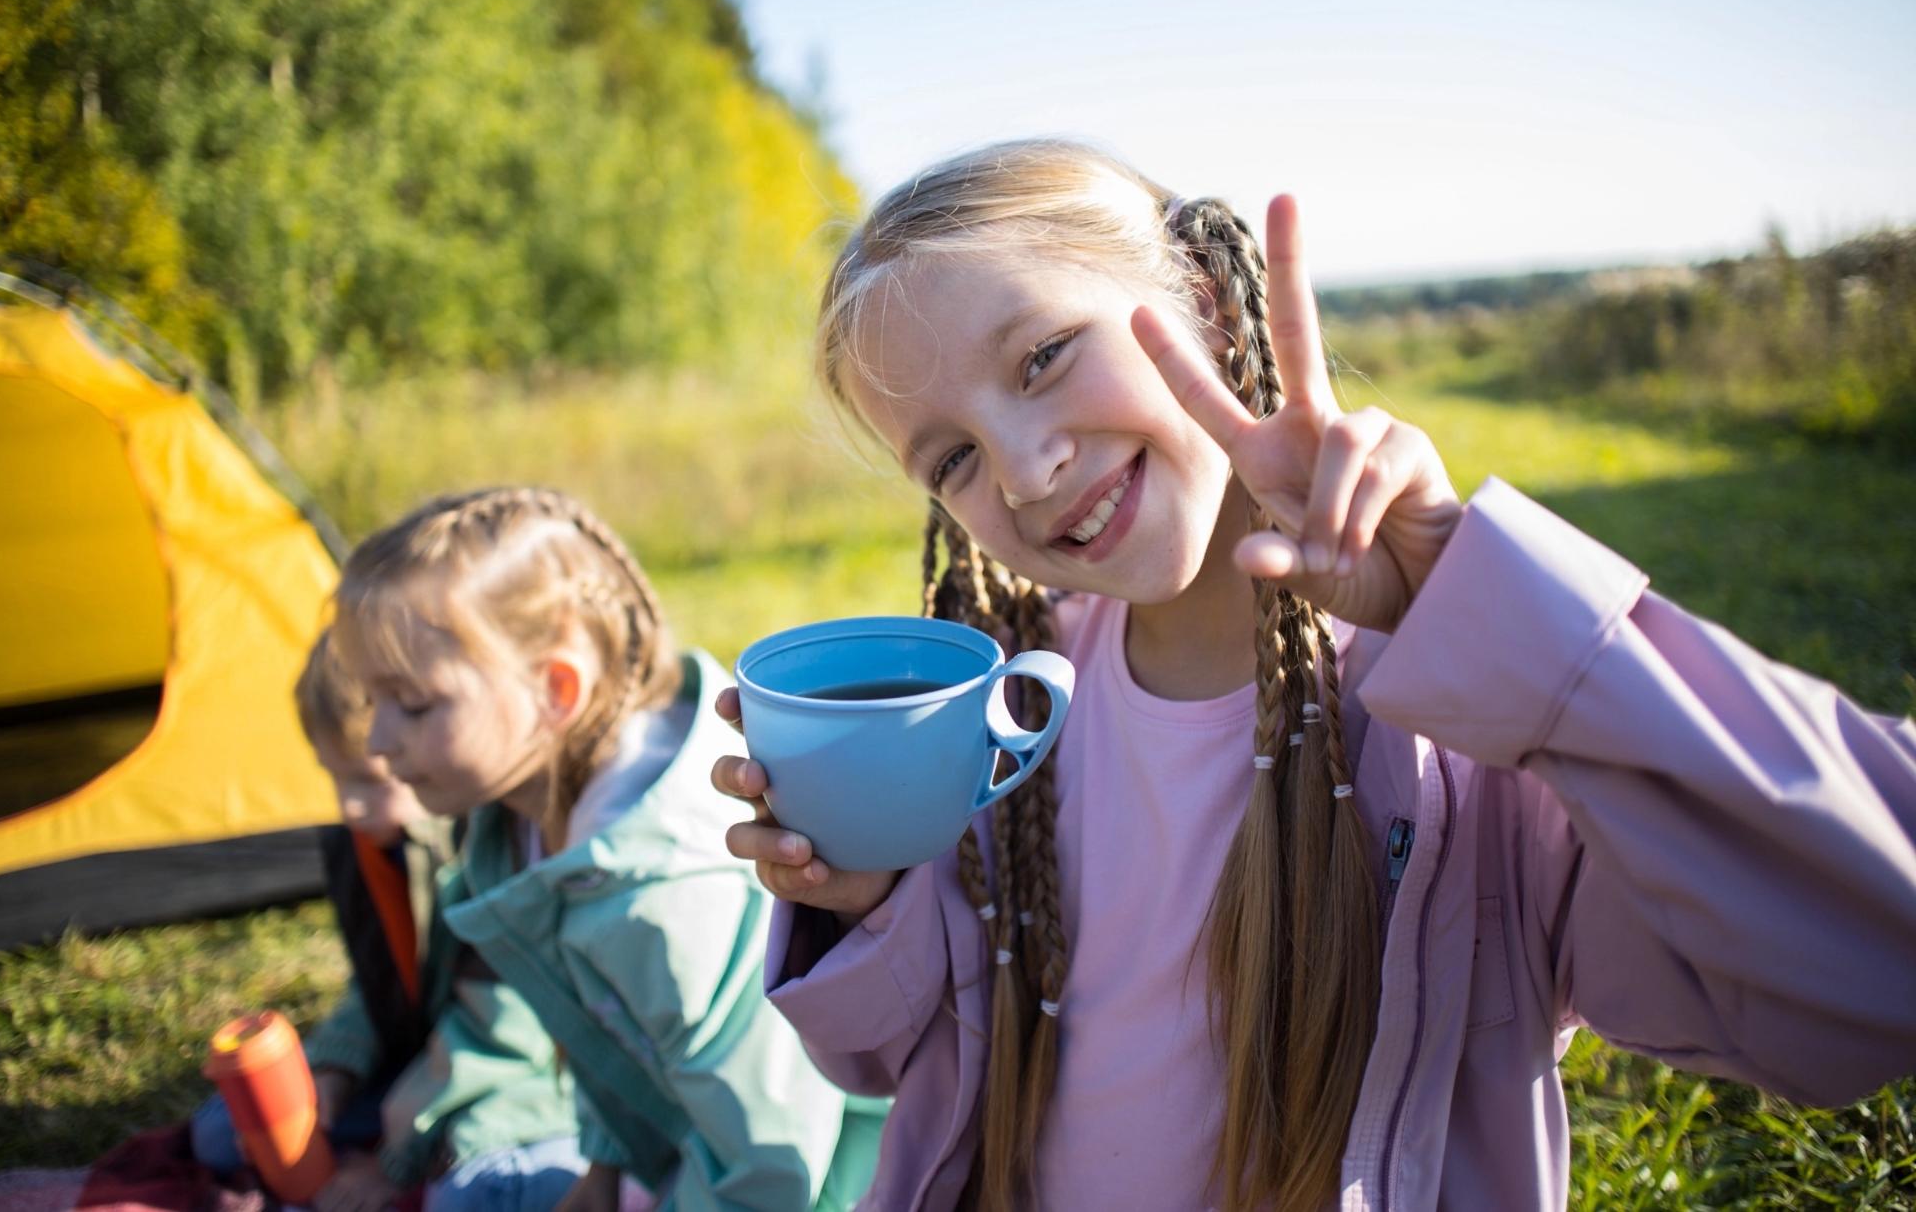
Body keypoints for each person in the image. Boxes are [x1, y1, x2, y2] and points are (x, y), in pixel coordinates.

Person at [709, 138, 1916, 1211]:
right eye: (954, 459)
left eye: (1040, 359)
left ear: (1206, 314)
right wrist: (864, 905)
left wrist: (1495, 613)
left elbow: (1866, 964)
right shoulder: (1013, 713)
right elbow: (904, 1064)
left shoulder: (1465, 725)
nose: (1021, 474)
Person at [331, 486, 887, 1212]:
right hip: (694, 1156)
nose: (377, 740)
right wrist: (601, 1171)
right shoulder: (526, 824)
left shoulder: (665, 891)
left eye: (414, 703)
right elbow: (602, 1031)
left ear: (556, 688)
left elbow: (777, 1160)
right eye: (373, 701)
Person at [194, 632, 585, 1212]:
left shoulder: (493, 840)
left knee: (476, 1195)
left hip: (527, 1071)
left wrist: (392, 1163)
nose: (350, 806)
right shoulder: (374, 843)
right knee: (226, 1133)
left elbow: (502, 1026)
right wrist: (335, 1066)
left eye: (373, 782)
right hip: (432, 1059)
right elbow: (383, 981)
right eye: (336, 777)